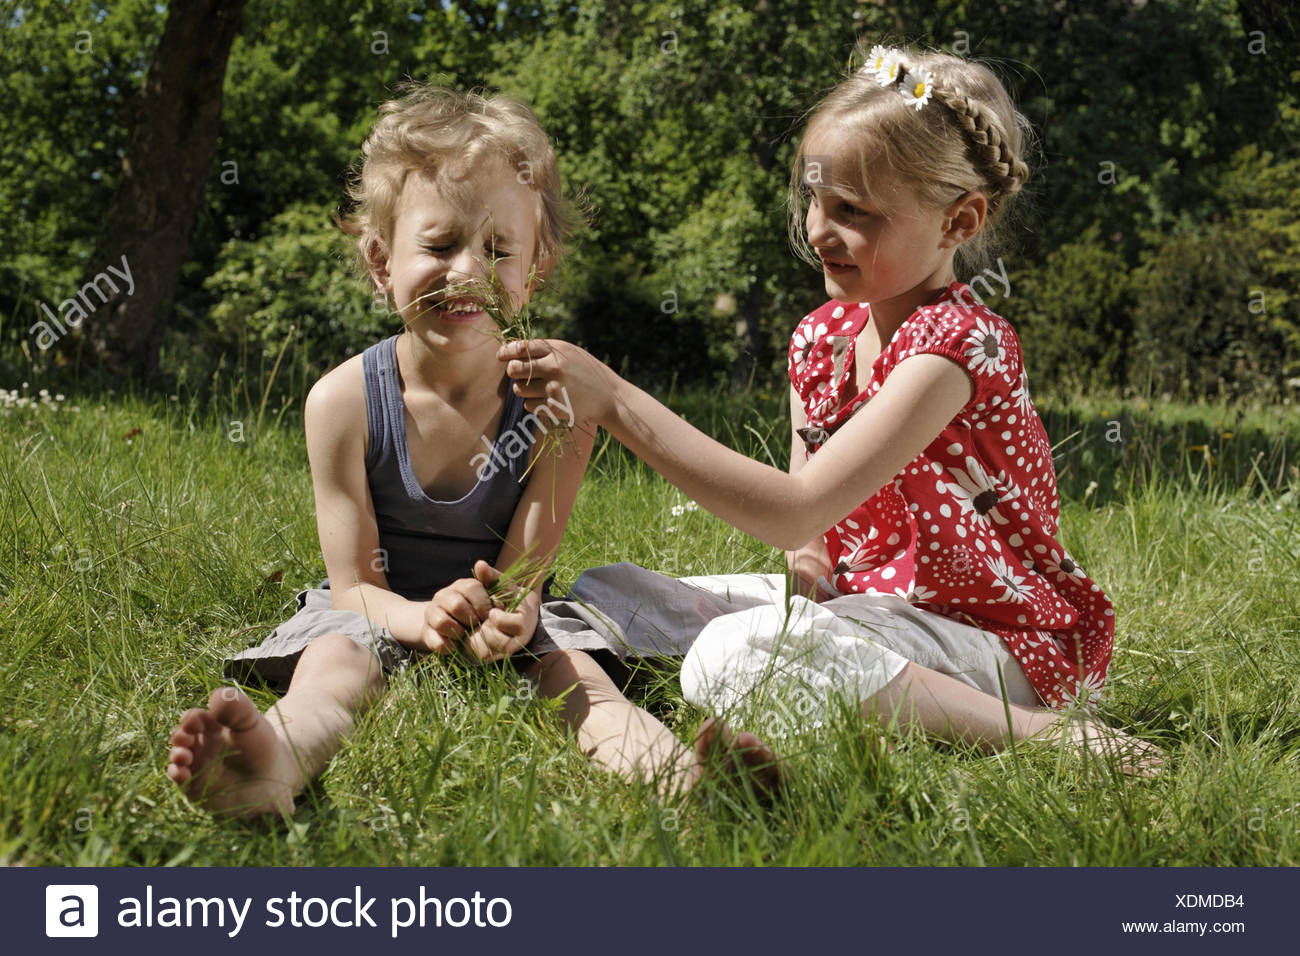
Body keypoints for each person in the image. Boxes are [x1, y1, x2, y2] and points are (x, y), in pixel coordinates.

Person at [499, 46, 1161, 774]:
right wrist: (807, 573)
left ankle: (1043, 733)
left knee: (737, 649)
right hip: (865, 615)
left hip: (994, 643)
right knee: (606, 595)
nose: (819, 228)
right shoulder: (821, 339)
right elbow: (807, 540)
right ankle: (805, 705)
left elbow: (795, 506)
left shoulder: (959, 348)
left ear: (959, 222)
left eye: (855, 211)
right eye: (816, 198)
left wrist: (617, 398)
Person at [165, 85, 778, 820]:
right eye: (439, 244)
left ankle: (683, 779)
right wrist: (422, 618)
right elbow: (354, 585)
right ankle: (273, 761)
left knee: (575, 676)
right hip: (380, 609)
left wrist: (513, 615)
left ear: (536, 267)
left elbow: (525, 571)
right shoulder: (342, 402)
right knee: (334, 663)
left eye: (496, 250)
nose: (466, 272)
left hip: (510, 616)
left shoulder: (557, 399)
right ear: (378, 258)